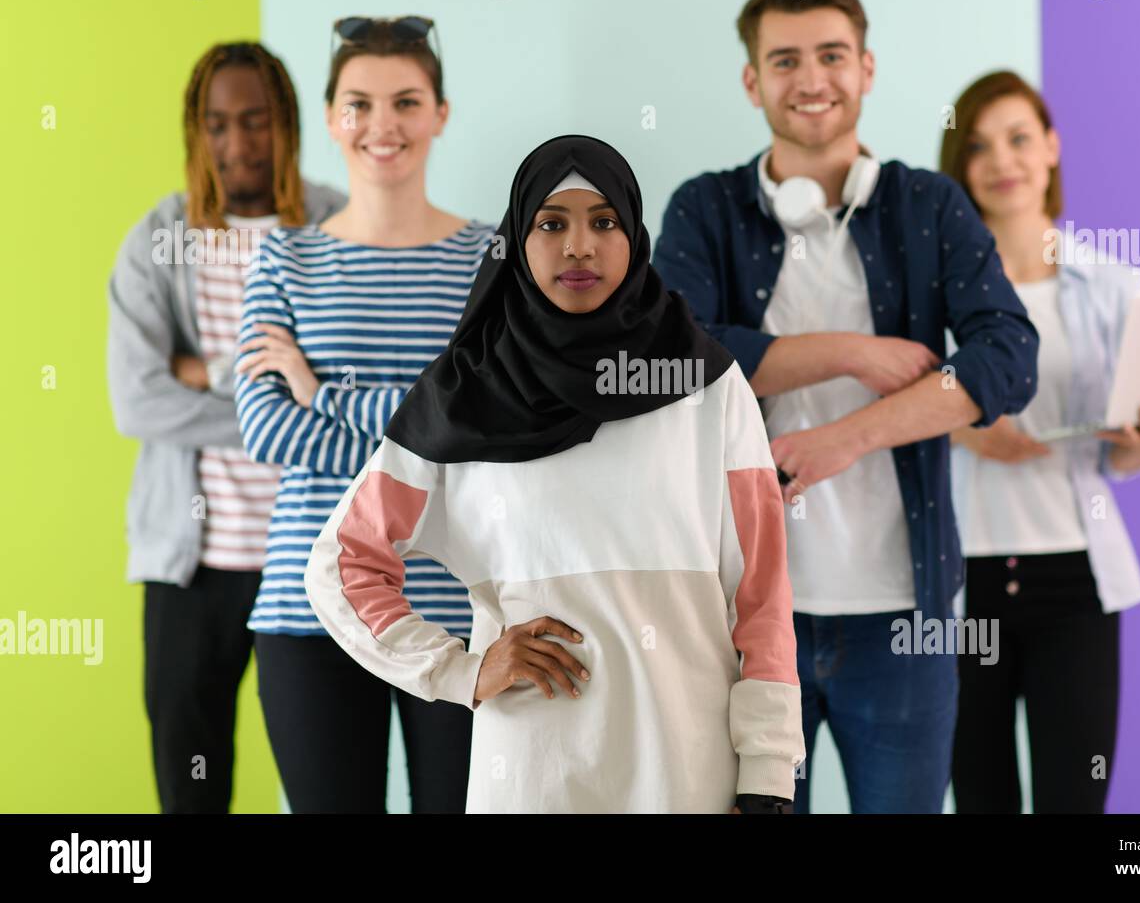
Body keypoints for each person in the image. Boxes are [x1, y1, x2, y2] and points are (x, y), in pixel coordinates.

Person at [303, 134, 805, 813]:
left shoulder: (707, 387)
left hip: (687, 776)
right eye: (550, 224)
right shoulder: (463, 399)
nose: (579, 246)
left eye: (604, 222)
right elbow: (342, 563)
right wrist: (462, 671)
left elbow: (762, 598)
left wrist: (769, 773)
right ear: (517, 239)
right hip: (531, 779)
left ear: (634, 235)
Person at [652, 0, 1040, 813]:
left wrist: (845, 438)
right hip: (740, 616)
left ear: (866, 67)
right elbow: (671, 358)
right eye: (785, 60)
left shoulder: (930, 205)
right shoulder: (705, 209)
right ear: (753, 80)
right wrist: (846, 353)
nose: (812, 79)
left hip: (905, 616)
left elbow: (1008, 355)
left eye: (832, 55)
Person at [234, 16, 495, 812]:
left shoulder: (489, 259)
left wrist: (323, 393)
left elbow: (488, 426)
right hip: (309, 608)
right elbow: (264, 429)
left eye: (406, 102)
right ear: (330, 116)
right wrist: (424, 425)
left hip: (458, 610)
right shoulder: (285, 257)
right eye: (359, 104)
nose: (382, 126)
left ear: (440, 114)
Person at [939, 70, 1140, 813]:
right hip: (963, 588)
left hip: (1078, 583)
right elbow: (890, 405)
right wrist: (963, 428)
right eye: (980, 145)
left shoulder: (1116, 285)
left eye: (1020, 138)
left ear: (1051, 147)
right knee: (981, 800)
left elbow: (1119, 452)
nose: (1002, 160)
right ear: (960, 166)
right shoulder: (936, 292)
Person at [107, 41, 345, 813]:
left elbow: (367, 387)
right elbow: (136, 401)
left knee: (328, 788)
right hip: (192, 566)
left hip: (316, 560)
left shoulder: (341, 223)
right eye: (216, 125)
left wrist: (200, 368)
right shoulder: (159, 238)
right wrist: (271, 401)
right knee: (190, 790)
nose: (237, 144)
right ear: (194, 131)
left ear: (287, 123)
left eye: (254, 121)